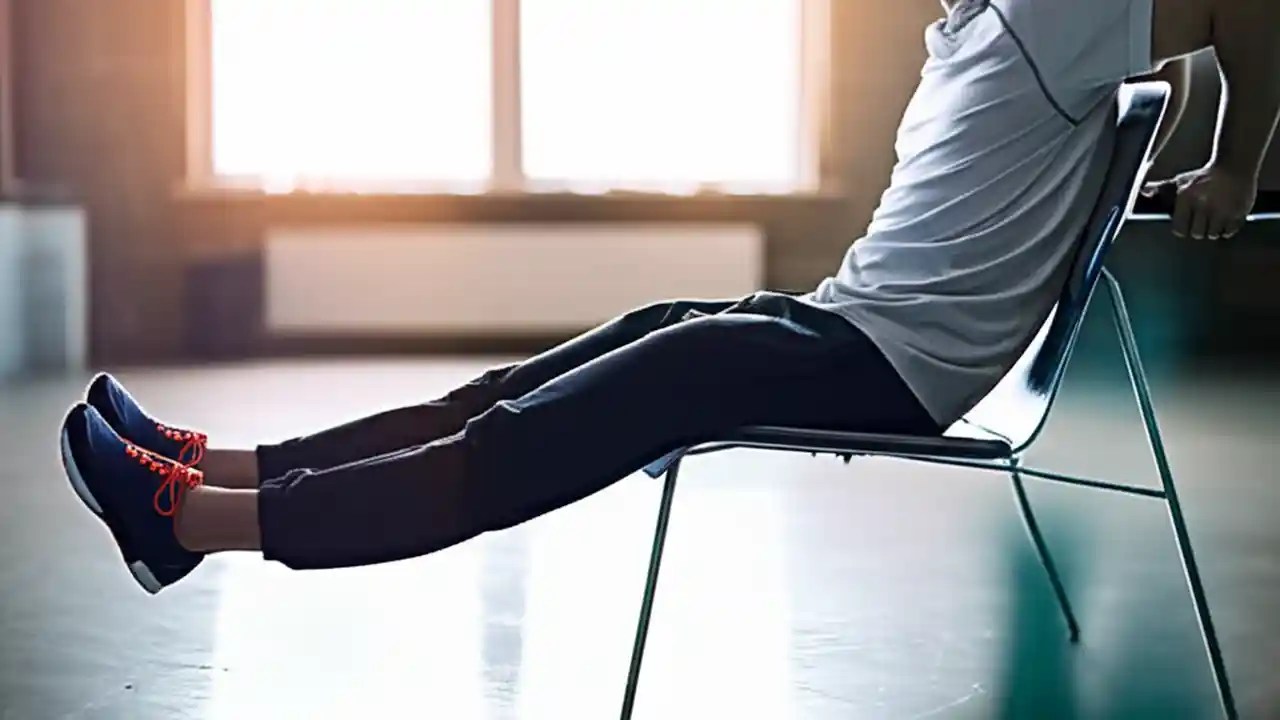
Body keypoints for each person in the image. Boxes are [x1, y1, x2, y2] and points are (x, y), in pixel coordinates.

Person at [60, 0, 1278, 594]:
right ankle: (226, 471)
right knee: (549, 376)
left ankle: (194, 528)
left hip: (895, 366)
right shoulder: (964, 29)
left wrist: (1228, 159)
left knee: (554, 428)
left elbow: (1237, 13)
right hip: (840, 323)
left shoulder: (1058, 5)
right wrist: (1190, 126)